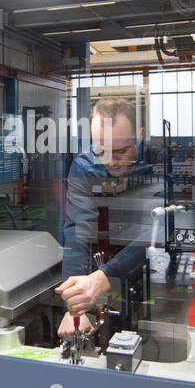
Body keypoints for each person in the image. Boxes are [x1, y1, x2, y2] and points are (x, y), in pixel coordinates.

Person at [55, 97, 147, 337]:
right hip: (108, 264)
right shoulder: (85, 167)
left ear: (140, 135)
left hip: (148, 271)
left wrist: (103, 278)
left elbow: (157, 233)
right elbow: (77, 231)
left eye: (121, 150)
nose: (111, 160)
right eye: (102, 149)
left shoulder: (157, 163)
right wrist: (75, 305)